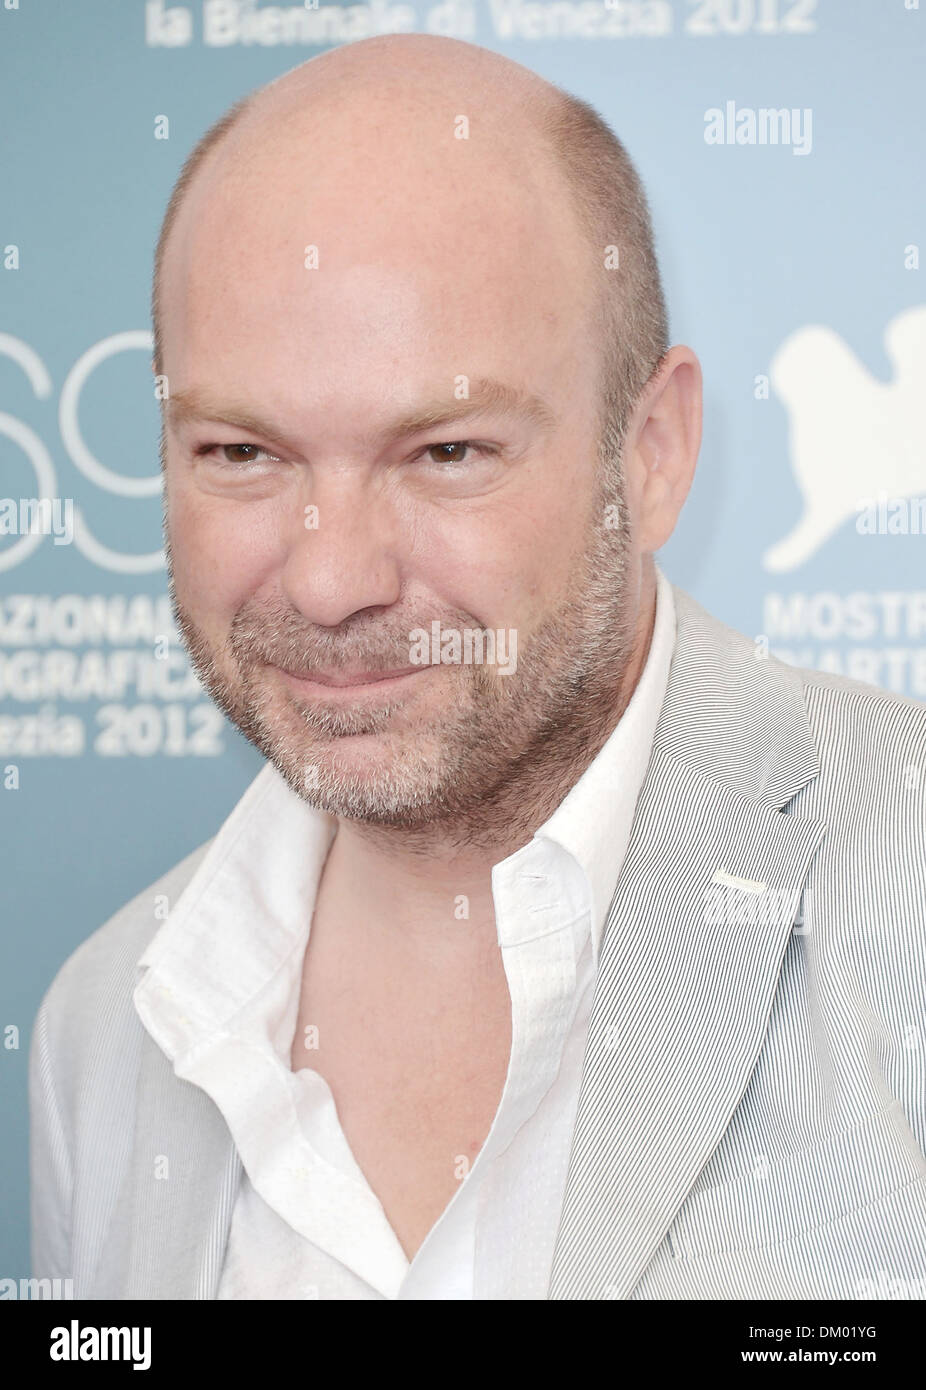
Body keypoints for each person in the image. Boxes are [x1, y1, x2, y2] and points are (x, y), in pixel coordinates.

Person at [30, 33, 926, 1301]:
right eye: (242, 454)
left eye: (445, 453)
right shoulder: (105, 1022)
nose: (332, 580)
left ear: (652, 453)